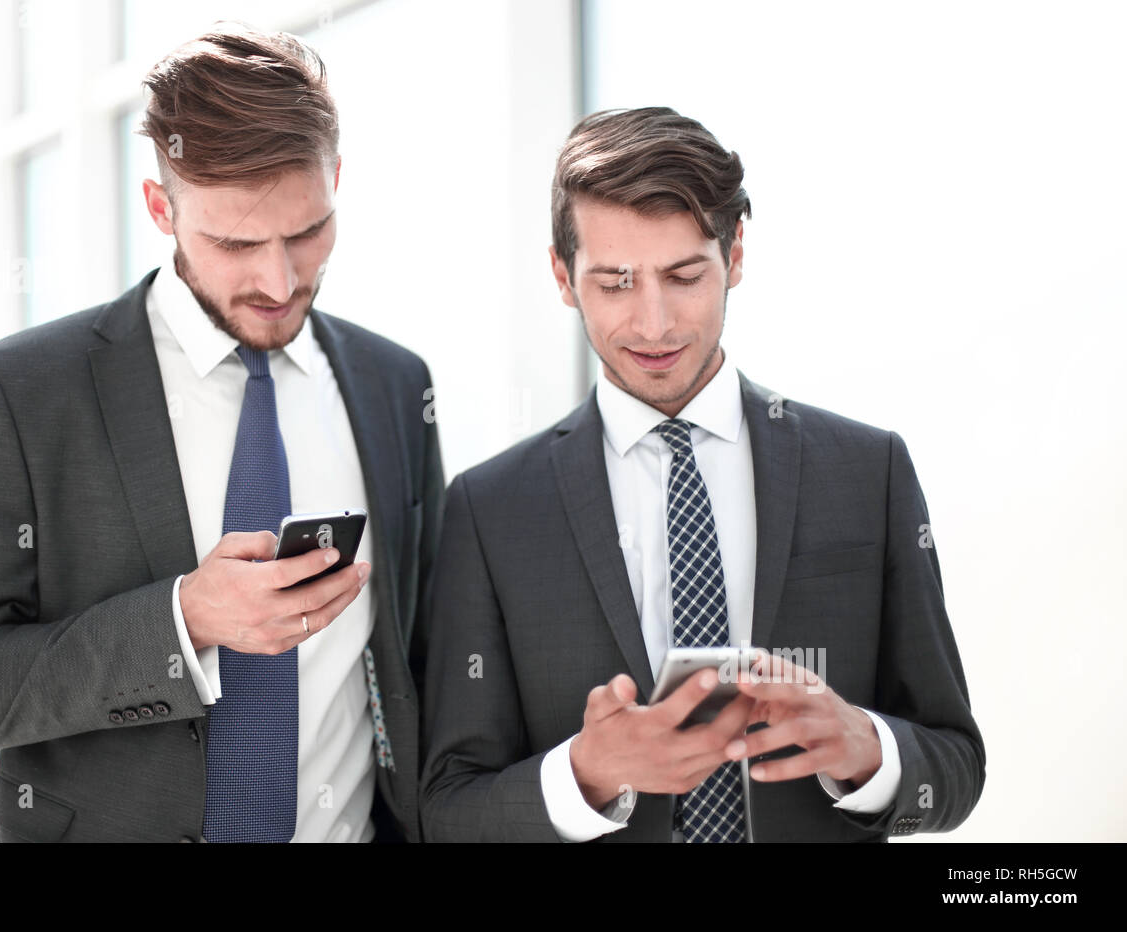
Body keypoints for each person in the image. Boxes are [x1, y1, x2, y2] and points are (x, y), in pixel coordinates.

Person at [0, 25, 442, 843]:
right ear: (161, 207)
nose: (279, 279)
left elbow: (425, 655)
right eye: (234, 243)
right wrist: (181, 620)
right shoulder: (25, 391)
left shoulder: (397, 387)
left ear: (335, 181)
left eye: (306, 233)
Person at [419, 107, 984, 842]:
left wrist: (867, 749)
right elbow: (448, 810)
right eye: (614, 284)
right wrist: (585, 773)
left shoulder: (866, 471)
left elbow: (957, 765)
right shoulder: (490, 510)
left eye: (684, 275)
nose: (654, 324)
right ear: (562, 276)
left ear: (736, 255)